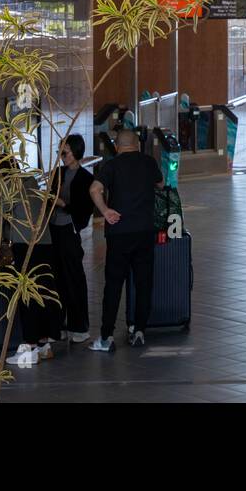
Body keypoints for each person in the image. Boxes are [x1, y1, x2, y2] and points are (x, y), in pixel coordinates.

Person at [88, 128, 162, 352]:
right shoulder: (148, 162)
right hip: (144, 231)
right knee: (143, 283)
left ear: (117, 146)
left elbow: (94, 189)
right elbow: (161, 184)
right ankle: (138, 330)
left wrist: (106, 210)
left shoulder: (111, 166)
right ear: (136, 145)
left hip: (119, 232)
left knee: (113, 285)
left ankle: (106, 337)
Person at [0, 158, 62, 367]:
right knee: (42, 293)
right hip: (45, 242)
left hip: (26, 245)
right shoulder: (31, 182)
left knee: (27, 295)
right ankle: (44, 346)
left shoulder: (9, 186)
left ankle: (29, 348)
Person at [49, 134, 94, 345]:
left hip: (70, 231)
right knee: (56, 278)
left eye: (64, 153)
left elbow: (84, 209)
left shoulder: (85, 178)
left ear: (75, 153)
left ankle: (79, 325)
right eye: (60, 153)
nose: (62, 157)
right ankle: (59, 324)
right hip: (54, 231)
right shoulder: (57, 173)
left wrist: (63, 205)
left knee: (73, 278)